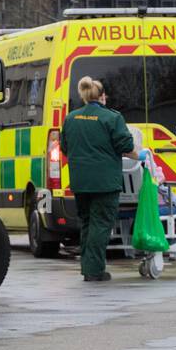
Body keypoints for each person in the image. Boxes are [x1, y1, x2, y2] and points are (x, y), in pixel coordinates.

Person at [61, 76, 138, 282]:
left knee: (87, 223)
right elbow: (126, 147)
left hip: (80, 182)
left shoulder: (71, 118)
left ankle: (87, 268)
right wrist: (141, 155)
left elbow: (65, 148)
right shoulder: (112, 118)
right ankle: (94, 270)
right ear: (102, 95)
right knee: (101, 224)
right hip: (104, 183)